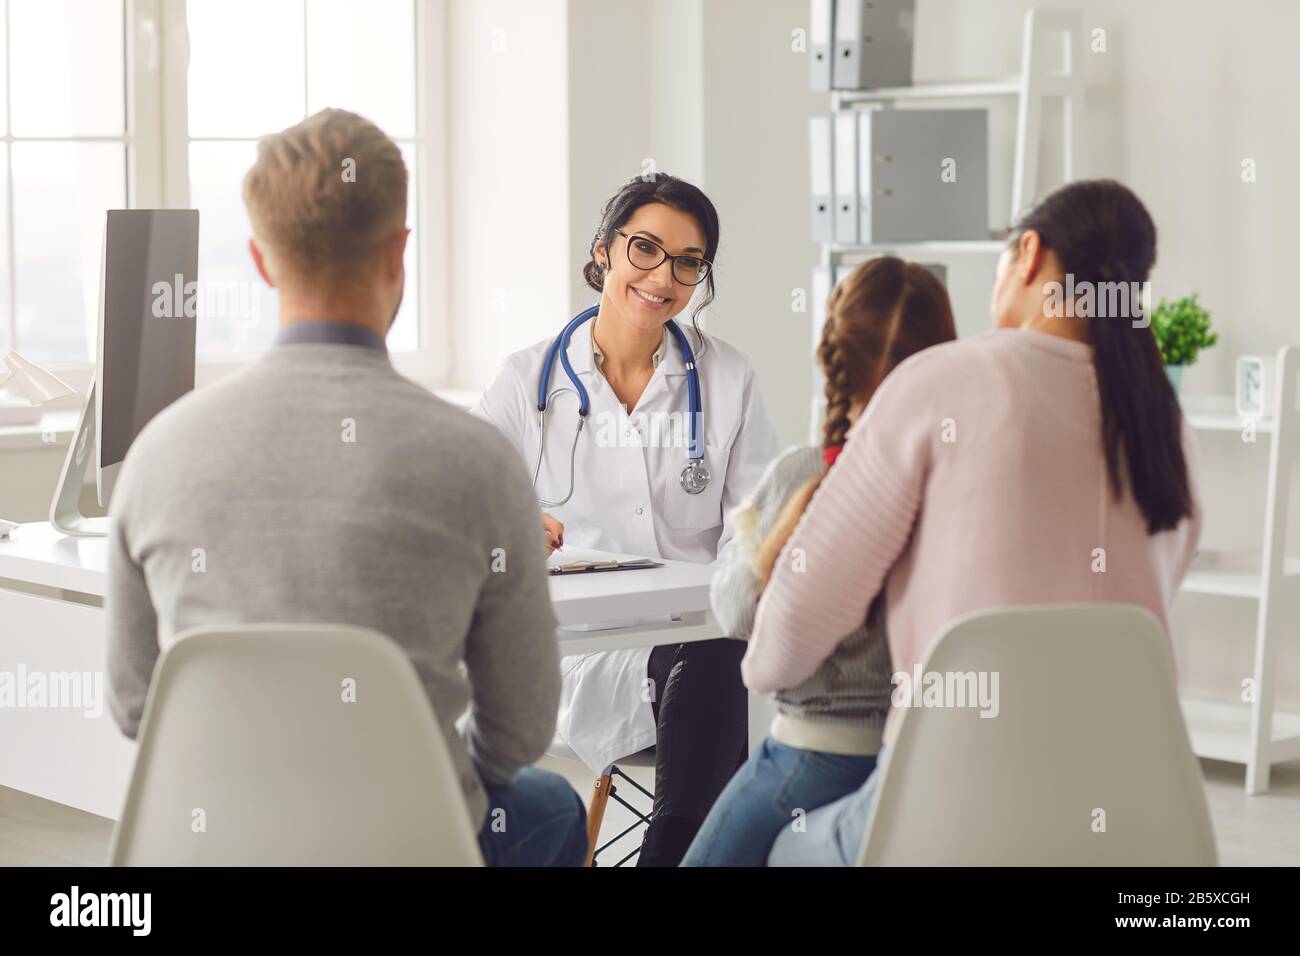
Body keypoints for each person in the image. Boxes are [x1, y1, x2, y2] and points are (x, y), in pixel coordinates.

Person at [104, 108, 586, 867]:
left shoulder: (157, 453)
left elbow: (135, 707)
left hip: (217, 846)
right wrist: (438, 783)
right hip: (410, 843)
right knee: (553, 803)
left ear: (262, 261)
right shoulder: (479, 462)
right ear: (399, 252)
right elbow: (523, 728)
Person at [748, 179, 1202, 866]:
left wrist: (762, 657)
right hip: (1135, 816)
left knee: (784, 847)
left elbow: (789, 632)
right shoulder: (1167, 428)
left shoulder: (938, 382)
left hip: (949, 811)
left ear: (1028, 254)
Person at [471, 173, 778, 865]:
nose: (663, 276)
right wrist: (510, 523)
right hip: (582, 657)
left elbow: (756, 529)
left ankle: (664, 853)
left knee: (720, 653)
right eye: (644, 249)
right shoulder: (527, 383)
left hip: (705, 646)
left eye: (688, 262)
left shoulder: (729, 379)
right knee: (723, 671)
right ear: (604, 251)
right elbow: (454, 500)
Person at [681, 257, 956, 866]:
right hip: (923, 765)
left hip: (811, 758)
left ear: (831, 352)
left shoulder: (807, 475)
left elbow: (736, 612)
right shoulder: (962, 483)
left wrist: (762, 542)